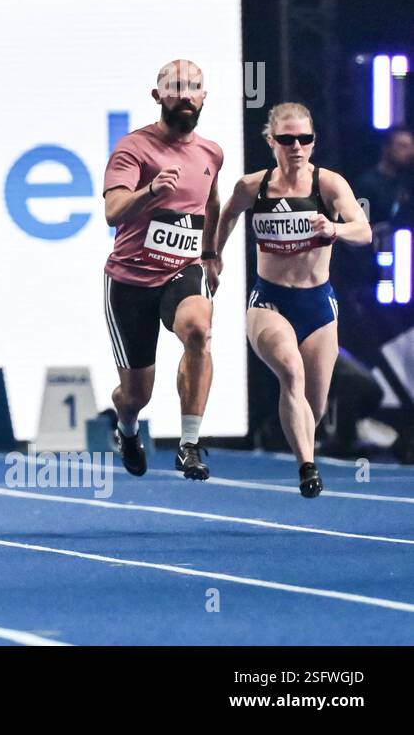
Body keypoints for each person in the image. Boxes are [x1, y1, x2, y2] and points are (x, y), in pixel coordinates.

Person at [212, 102, 371, 496]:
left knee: (312, 408)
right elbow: (227, 215)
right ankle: (307, 468)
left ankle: (300, 444)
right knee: (291, 372)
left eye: (305, 138)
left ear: (313, 142)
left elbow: (363, 230)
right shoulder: (254, 186)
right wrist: (211, 256)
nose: (296, 146)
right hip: (270, 302)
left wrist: (334, 229)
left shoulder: (329, 184)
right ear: (272, 142)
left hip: (318, 305)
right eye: (287, 139)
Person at [102, 59, 222, 480]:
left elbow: (211, 202)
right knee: (137, 394)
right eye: (175, 87)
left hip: (182, 270)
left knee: (198, 330)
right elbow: (112, 212)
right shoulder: (134, 149)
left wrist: (210, 253)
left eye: (194, 87)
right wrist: (150, 191)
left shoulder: (211, 153)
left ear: (204, 97)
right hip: (131, 279)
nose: (185, 94)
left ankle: (189, 444)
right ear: (158, 96)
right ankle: (126, 428)